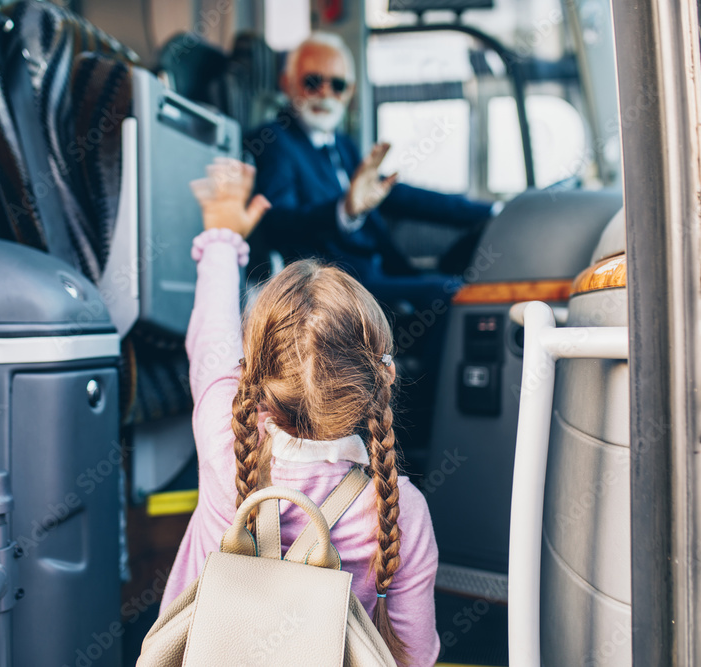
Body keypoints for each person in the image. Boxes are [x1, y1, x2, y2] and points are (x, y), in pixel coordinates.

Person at [158, 157, 441, 666]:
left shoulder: (222, 437)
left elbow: (212, 335)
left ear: (254, 369)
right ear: (377, 377)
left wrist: (222, 236)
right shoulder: (402, 511)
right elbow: (414, 655)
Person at [244, 31, 499, 280]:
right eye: (312, 82)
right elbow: (279, 224)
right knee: (450, 295)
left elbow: (399, 195)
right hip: (337, 288)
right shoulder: (274, 141)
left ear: (349, 91)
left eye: (337, 85)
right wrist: (344, 211)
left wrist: (490, 211)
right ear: (286, 83)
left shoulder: (343, 145)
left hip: (380, 269)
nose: (324, 92)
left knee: (461, 279)